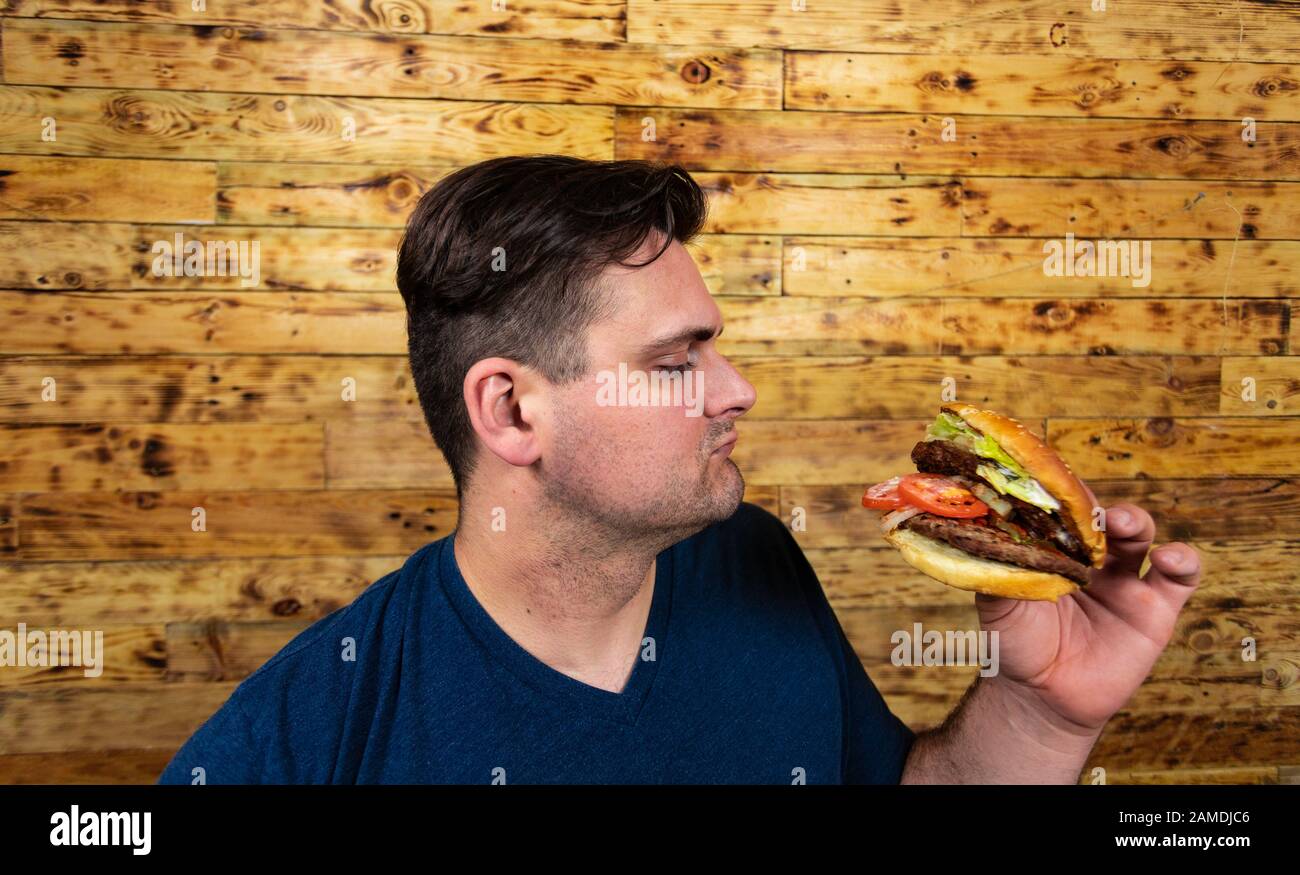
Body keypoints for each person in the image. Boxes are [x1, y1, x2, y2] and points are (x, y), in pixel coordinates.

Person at [157, 156, 1201, 784]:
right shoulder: (318, 724)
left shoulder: (749, 560)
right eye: (675, 361)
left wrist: (1044, 712)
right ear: (513, 410)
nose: (736, 388)